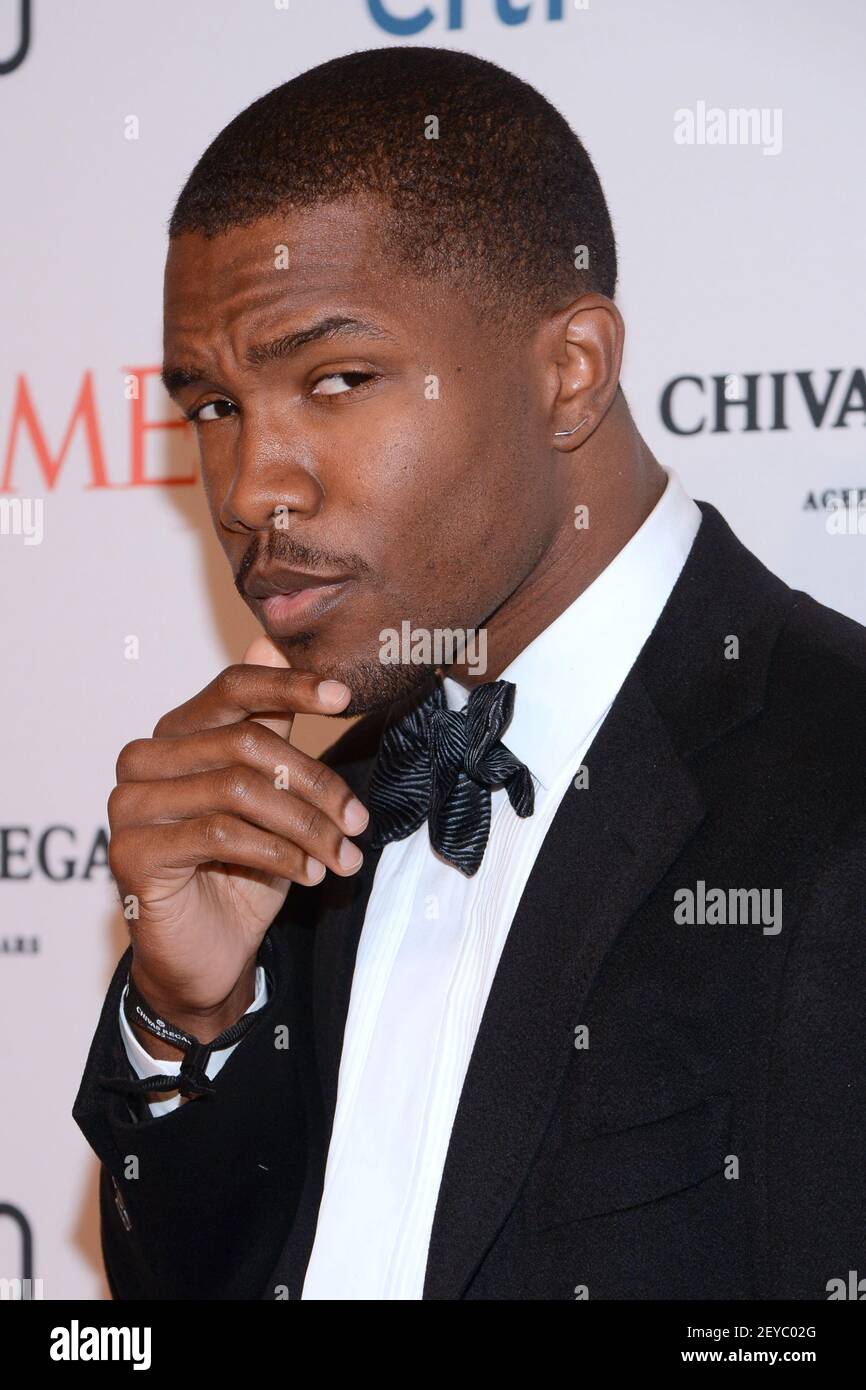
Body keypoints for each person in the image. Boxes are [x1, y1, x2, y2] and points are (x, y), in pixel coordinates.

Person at [73, 45, 866, 1300]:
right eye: (213, 405)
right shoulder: (299, 819)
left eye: (334, 379)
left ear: (569, 372)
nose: (247, 491)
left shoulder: (834, 784)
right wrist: (189, 1021)